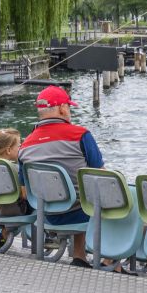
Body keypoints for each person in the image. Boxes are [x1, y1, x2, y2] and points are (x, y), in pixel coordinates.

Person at [18, 86, 102, 268]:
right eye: (69, 107)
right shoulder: (80, 135)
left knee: (76, 187)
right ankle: (112, 262)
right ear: (63, 108)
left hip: (46, 214)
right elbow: (101, 176)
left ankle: (80, 256)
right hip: (82, 214)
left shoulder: (25, 145)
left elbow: (24, 191)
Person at [0, 128, 32, 218]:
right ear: (8, 150)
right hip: (19, 210)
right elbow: (24, 195)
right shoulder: (16, 169)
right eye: (19, 146)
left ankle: (5, 231)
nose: (20, 149)